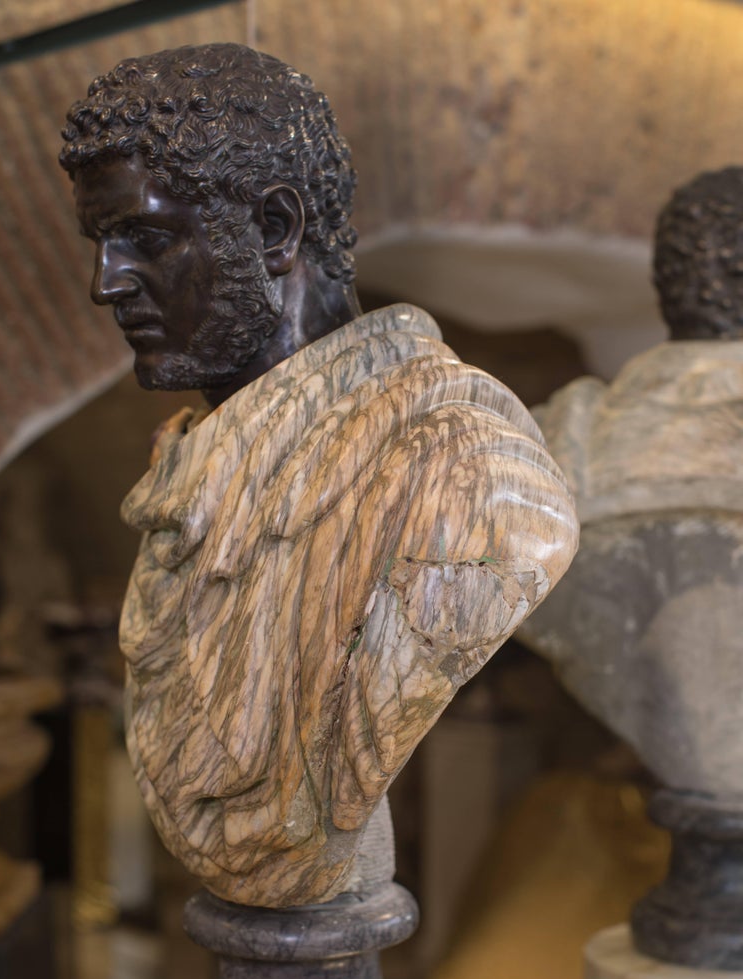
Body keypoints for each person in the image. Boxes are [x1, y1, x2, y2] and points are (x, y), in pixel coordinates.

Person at [60, 43, 578, 907]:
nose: (104, 285)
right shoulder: (194, 462)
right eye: (102, 243)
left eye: (143, 238)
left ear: (275, 230)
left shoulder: (462, 471)